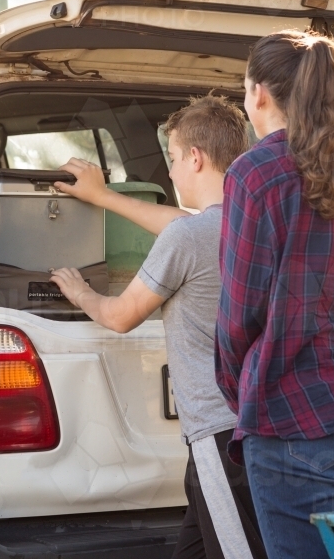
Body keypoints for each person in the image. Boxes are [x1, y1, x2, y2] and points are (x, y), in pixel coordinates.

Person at [215, 31, 334, 559]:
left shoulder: (253, 175)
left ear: (258, 93)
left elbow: (238, 319)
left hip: (292, 424)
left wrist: (249, 397)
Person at [50, 95, 267, 559]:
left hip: (218, 436)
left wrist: (80, 291)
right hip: (252, 431)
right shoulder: (256, 223)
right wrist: (104, 197)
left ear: (195, 158)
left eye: (171, 158)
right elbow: (180, 225)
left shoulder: (188, 238)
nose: (168, 173)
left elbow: (120, 316)